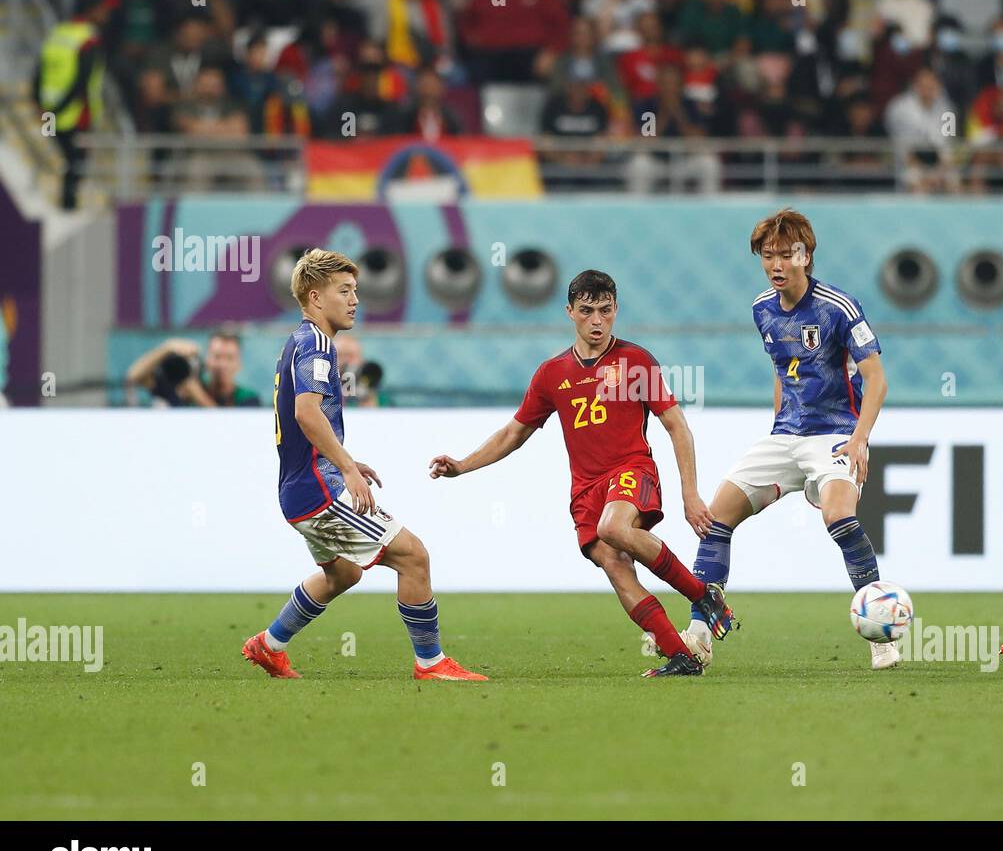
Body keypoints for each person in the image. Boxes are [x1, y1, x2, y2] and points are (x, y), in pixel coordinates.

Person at [428, 269, 736, 678]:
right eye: (587, 310)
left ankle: (702, 595)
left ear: (616, 311)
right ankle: (680, 655)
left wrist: (690, 494)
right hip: (585, 490)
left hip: (631, 471)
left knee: (613, 528)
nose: (597, 321)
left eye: (605, 311)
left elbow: (677, 426)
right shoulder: (551, 374)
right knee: (615, 564)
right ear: (570, 311)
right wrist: (463, 465)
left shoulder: (635, 362)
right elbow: (513, 433)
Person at [243, 248, 485, 682]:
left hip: (300, 488)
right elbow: (306, 413)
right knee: (413, 557)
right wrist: (348, 471)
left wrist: (347, 460)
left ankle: (270, 644)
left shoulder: (299, 341)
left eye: (355, 290)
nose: (355, 300)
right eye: (345, 291)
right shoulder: (316, 343)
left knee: (344, 574)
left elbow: (303, 421)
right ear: (315, 298)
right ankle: (431, 663)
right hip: (321, 489)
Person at [688, 209, 894, 670]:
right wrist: (778, 431)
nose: (777, 264)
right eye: (768, 255)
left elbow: (876, 379)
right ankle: (699, 635)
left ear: (807, 255)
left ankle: (881, 632)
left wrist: (860, 440)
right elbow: (782, 371)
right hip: (786, 436)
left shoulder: (839, 308)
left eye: (786, 254)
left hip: (837, 433)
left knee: (839, 516)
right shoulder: (763, 308)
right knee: (716, 517)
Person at [37, 0, 115, 209]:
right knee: (76, 162)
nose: (108, 13)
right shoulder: (89, 40)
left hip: (50, 110)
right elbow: (82, 80)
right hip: (76, 112)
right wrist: (59, 108)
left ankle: (66, 205)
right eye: (104, 8)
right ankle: (68, 206)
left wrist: (44, 105)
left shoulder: (58, 32)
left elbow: (40, 70)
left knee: (68, 160)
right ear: (92, 10)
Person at [126, 331, 261, 407]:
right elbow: (134, 375)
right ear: (207, 359)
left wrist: (197, 395)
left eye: (229, 358)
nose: (222, 364)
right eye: (217, 357)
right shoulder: (184, 387)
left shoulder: (248, 398)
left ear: (238, 363)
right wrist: (168, 347)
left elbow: (232, 431)